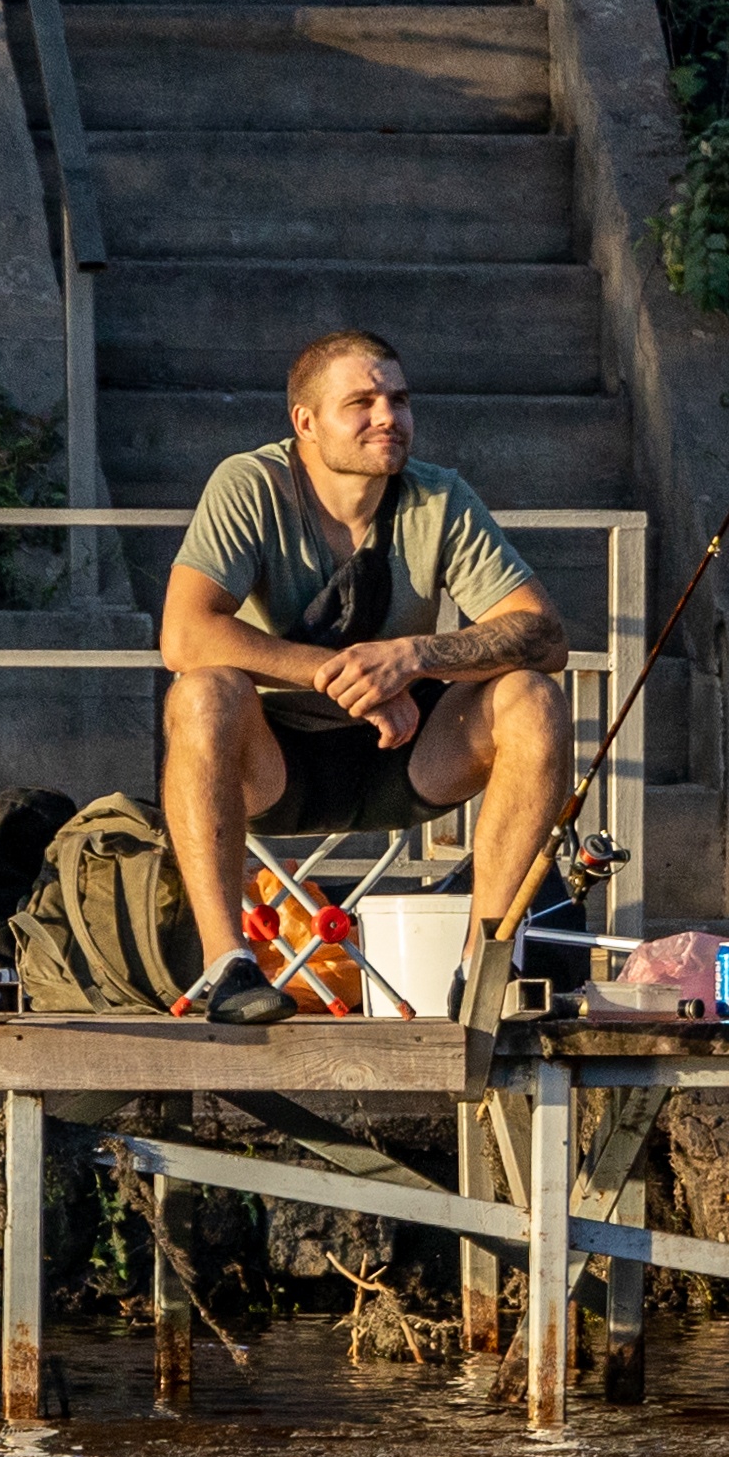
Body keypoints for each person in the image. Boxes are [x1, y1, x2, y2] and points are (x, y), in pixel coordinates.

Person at [151, 328, 568, 1022]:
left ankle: (485, 965)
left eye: (399, 399)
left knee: (534, 697)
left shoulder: (439, 497)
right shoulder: (248, 484)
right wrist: (342, 677)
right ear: (305, 423)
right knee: (200, 693)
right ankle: (229, 966)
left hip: (408, 757)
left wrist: (412, 658)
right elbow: (184, 632)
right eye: (363, 402)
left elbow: (545, 633)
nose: (389, 417)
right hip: (277, 763)